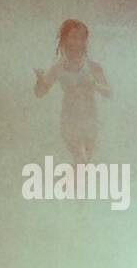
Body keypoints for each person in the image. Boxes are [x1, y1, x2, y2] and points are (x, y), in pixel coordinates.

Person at [34, 19, 111, 164]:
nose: (78, 42)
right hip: (69, 120)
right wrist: (40, 80)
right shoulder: (58, 67)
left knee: (83, 163)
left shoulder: (93, 66)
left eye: (82, 37)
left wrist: (94, 85)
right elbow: (40, 93)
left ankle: (69, 185)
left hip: (91, 120)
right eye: (74, 37)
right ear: (65, 39)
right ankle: (71, 183)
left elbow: (108, 93)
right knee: (81, 159)